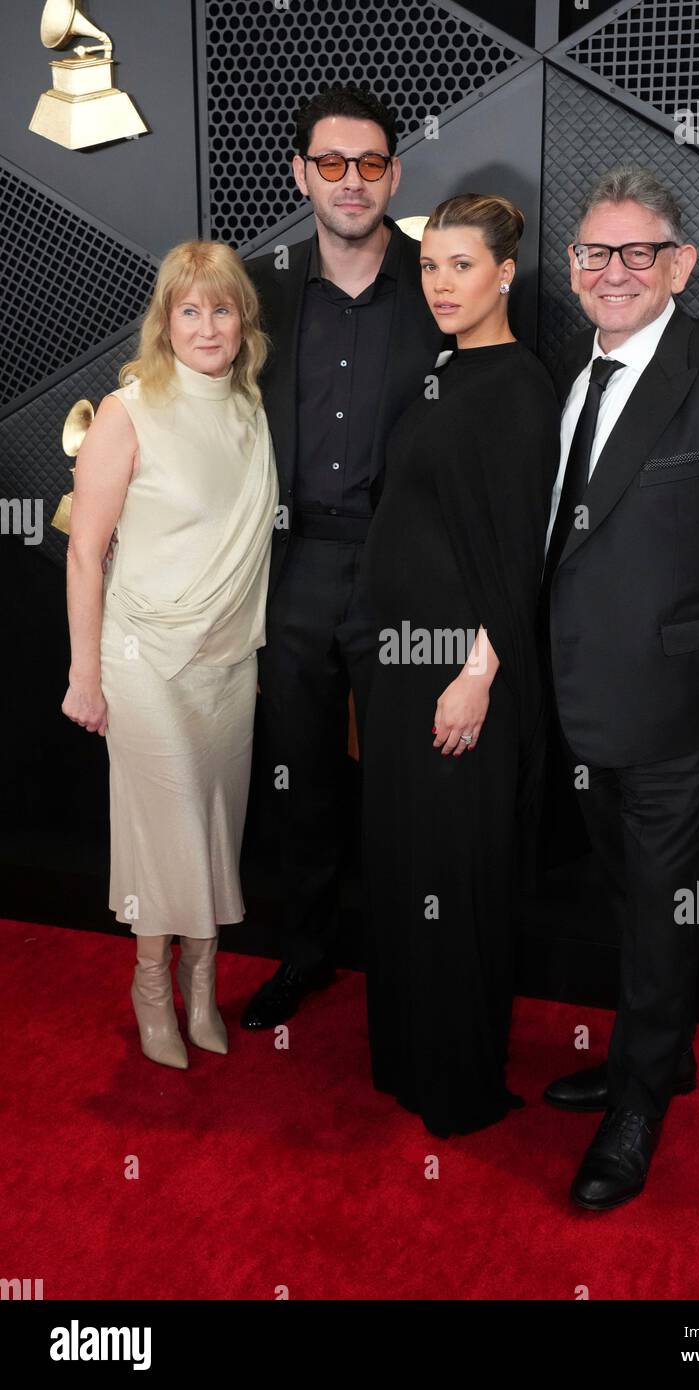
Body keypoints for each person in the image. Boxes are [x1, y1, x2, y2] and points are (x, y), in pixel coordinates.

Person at [539, 164, 699, 1207]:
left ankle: (637, 1100)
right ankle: (658, 1052)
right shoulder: (575, 371)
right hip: (579, 707)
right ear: (570, 268)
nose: (613, 271)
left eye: (635, 251)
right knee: (627, 897)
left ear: (678, 263)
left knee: (657, 910)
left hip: (681, 715)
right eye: (593, 253)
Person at [241, 86, 447, 1030]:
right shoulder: (263, 290)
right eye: (331, 163)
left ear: (395, 174)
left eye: (370, 164)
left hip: (407, 565)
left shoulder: (445, 282)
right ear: (302, 175)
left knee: (411, 779)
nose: (351, 181)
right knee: (299, 773)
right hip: (291, 569)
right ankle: (307, 955)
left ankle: (414, 970)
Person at [359, 194, 561, 1137]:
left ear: (506, 273)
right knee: (408, 864)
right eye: (431, 265)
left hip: (465, 675)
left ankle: (457, 1078)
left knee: (457, 872)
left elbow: (523, 553)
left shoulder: (523, 388)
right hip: (401, 670)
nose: (441, 284)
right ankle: (410, 1057)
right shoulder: (444, 371)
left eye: (462, 266)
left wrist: (478, 673)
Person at [61, 241, 278, 1070]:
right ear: (166, 321)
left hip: (229, 664)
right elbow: (86, 552)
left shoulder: (249, 408)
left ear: (242, 318)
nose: (207, 325)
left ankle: (201, 985)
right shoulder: (129, 410)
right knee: (168, 828)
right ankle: (155, 986)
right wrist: (86, 672)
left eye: (222, 308)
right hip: (144, 657)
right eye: (190, 309)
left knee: (216, 827)